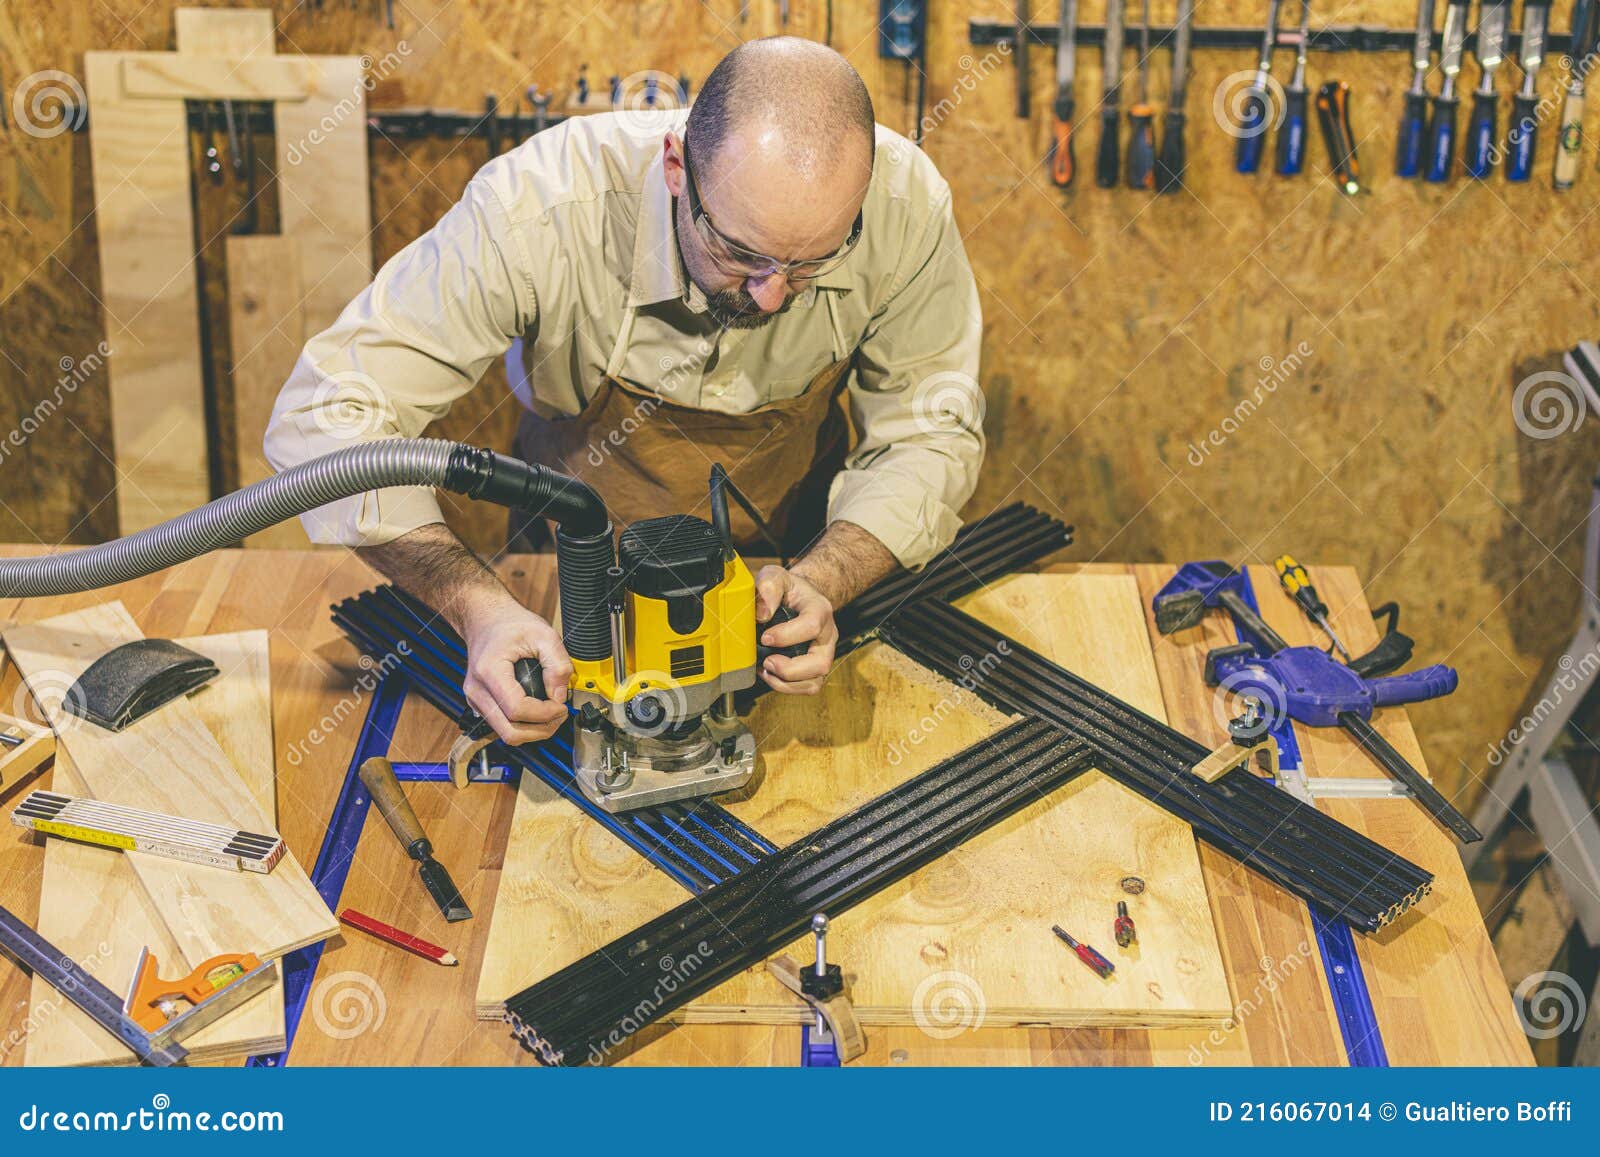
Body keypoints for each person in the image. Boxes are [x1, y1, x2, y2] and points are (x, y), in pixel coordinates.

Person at [264, 37, 984, 743]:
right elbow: (322, 419)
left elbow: (929, 434)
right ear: (676, 167)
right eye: (739, 253)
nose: (769, 297)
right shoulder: (540, 207)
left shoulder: (903, 207)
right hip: (572, 589)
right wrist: (478, 608)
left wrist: (826, 578)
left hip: (786, 578)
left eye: (810, 265)